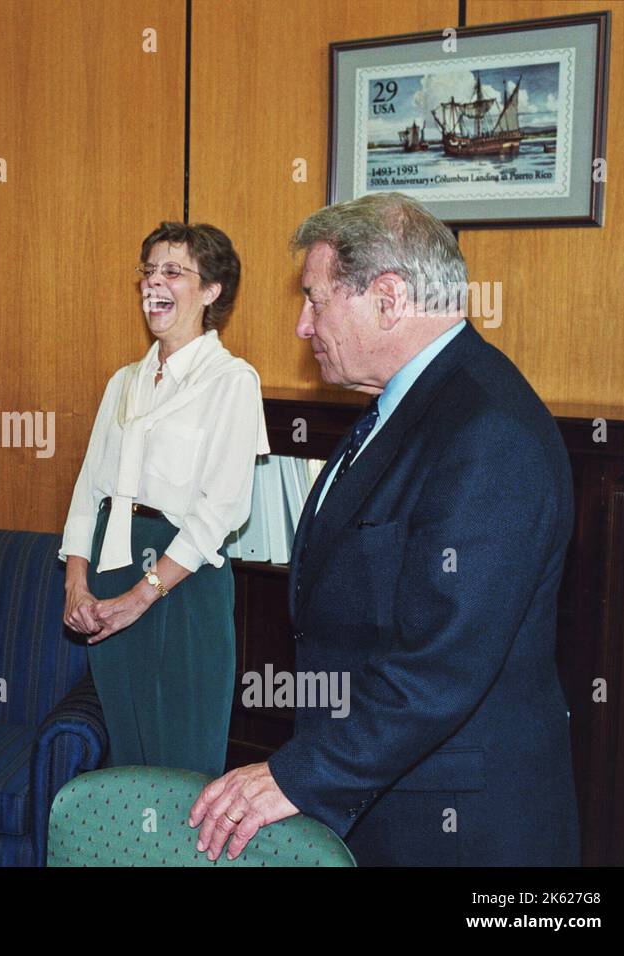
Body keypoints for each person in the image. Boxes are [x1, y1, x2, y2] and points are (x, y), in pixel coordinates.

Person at [189, 192, 580, 866]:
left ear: (390, 298)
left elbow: (440, 664)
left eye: (315, 300)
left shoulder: (488, 432)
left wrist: (297, 774)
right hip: (385, 792)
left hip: (455, 824)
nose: (302, 327)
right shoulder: (407, 406)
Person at [59, 222, 269, 777]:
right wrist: (76, 580)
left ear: (211, 290)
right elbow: (89, 489)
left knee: (183, 770)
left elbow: (220, 509)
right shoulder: (123, 381)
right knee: (126, 764)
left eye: (173, 271)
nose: (155, 282)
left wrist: (143, 594)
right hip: (111, 572)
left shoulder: (232, 381)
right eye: (148, 270)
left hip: (182, 587)